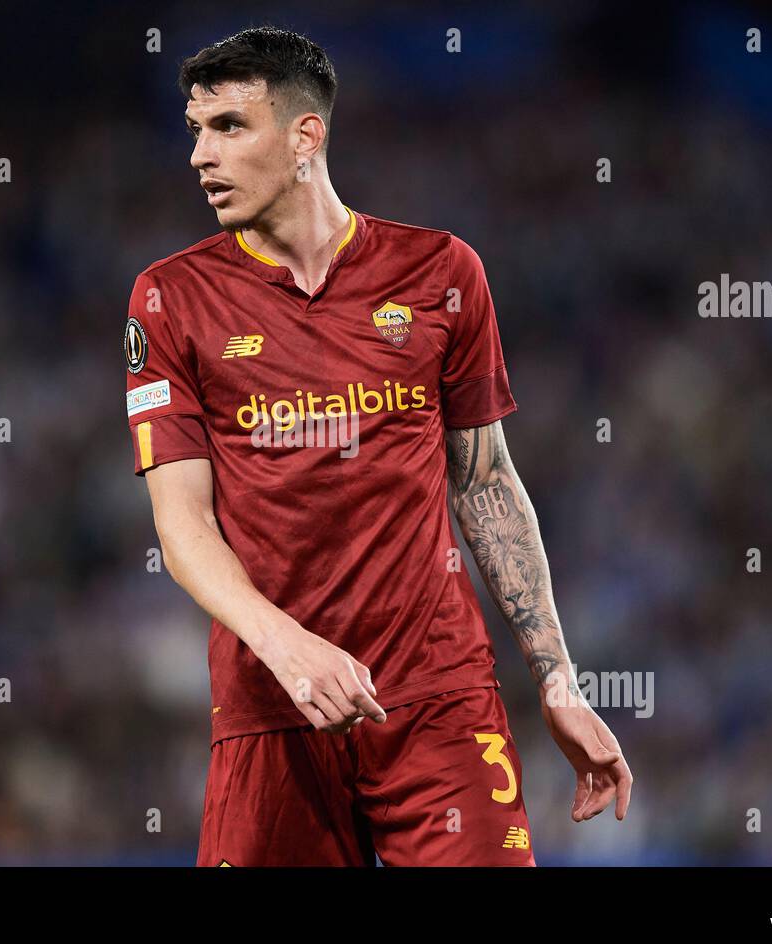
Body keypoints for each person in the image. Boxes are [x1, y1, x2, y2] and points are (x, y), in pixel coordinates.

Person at [123, 26, 632, 865]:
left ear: (305, 136)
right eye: (194, 130)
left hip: (438, 700)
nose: (199, 156)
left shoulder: (443, 274)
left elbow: (487, 485)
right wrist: (289, 650)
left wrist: (557, 677)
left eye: (228, 127)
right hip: (273, 710)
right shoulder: (171, 299)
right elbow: (182, 529)